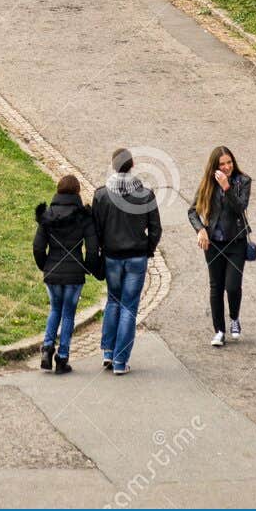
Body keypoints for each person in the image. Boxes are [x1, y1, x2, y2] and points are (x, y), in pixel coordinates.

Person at [92, 149, 163, 376]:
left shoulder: (102, 195)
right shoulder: (145, 195)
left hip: (112, 256)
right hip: (136, 257)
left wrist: (103, 246)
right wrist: (148, 249)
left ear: (114, 166)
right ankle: (121, 361)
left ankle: (108, 352)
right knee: (129, 308)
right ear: (132, 165)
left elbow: (96, 229)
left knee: (113, 301)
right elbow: (155, 229)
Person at [33, 173, 104, 375]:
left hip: (53, 272)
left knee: (55, 309)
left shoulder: (47, 215)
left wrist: (45, 266)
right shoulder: (83, 216)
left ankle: (47, 347)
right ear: (77, 192)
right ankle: (62, 358)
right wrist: (88, 267)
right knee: (68, 314)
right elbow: (92, 248)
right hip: (74, 274)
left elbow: (38, 247)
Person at [188, 147, 252, 347]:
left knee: (232, 286)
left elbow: (240, 208)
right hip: (213, 242)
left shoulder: (243, 181)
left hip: (236, 241)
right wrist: (200, 229)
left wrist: (227, 187)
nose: (226, 167)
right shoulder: (207, 183)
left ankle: (234, 317)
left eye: (229, 163)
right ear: (215, 166)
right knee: (215, 287)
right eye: (222, 164)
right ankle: (219, 331)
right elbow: (192, 211)